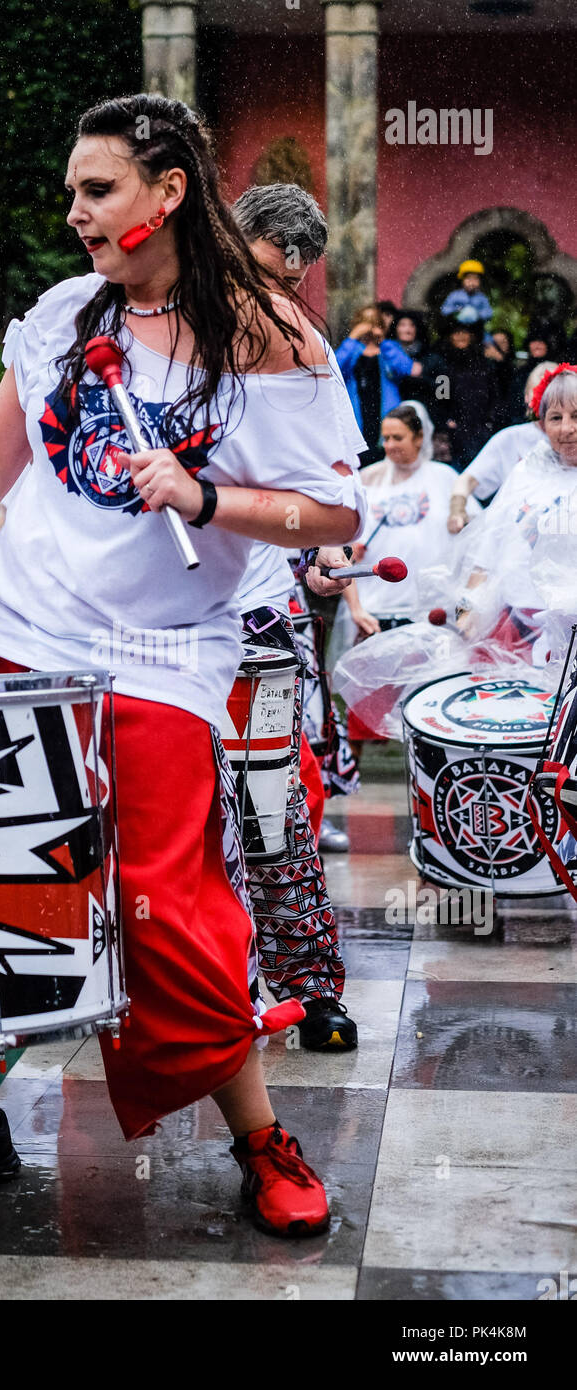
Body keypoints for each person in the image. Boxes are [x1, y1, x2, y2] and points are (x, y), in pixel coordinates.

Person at [0, 93, 365, 1235]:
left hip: (158, 660)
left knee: (162, 904)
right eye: (69, 193)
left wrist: (208, 495)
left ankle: (260, 1137)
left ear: (168, 192)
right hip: (11, 631)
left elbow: (329, 509)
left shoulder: (267, 337)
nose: (75, 214)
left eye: (96, 191)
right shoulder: (59, 317)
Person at [232, 182, 364, 1046]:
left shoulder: (302, 346)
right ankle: (209, 987)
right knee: (185, 821)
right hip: (162, 633)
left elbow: (337, 488)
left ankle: (311, 989)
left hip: (256, 624)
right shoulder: (165, 322)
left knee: (270, 809)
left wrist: (320, 552)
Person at [338, 401, 477, 748]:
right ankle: (352, 786)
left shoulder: (445, 479)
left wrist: (462, 521)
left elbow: (477, 536)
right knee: (365, 709)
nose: (389, 446)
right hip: (375, 612)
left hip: (428, 615)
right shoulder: (368, 479)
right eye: (385, 438)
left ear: (419, 437)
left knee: (425, 711)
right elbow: (344, 550)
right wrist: (356, 607)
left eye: (398, 437)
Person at [455, 363, 577, 658]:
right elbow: (491, 541)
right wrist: (470, 606)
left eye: (576, 415)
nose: (566, 428)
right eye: (555, 417)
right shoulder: (525, 472)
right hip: (517, 617)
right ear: (542, 423)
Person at [448, 361, 554, 532]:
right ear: (527, 397)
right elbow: (467, 479)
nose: (545, 405)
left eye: (553, 398)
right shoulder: (512, 438)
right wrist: (457, 511)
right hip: (516, 534)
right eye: (538, 395)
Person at [336, 306, 417, 450]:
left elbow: (406, 368)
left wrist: (383, 341)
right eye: (365, 322)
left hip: (385, 409)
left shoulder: (389, 347)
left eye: (373, 322)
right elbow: (335, 368)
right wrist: (352, 338)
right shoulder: (352, 348)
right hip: (357, 409)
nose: (369, 327)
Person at [425, 314, 500, 469]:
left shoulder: (484, 365)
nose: (460, 336)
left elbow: (494, 395)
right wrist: (447, 420)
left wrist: (490, 421)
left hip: (480, 427)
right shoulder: (444, 365)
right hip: (456, 431)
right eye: (456, 332)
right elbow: (441, 397)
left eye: (464, 332)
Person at [440, 259, 493, 328]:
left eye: (475, 279)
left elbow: (488, 313)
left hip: (476, 329)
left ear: (480, 281)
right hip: (457, 327)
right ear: (462, 280)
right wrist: (456, 311)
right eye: (468, 279)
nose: (472, 283)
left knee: (487, 338)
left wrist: (478, 313)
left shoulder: (482, 297)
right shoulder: (455, 295)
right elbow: (444, 310)